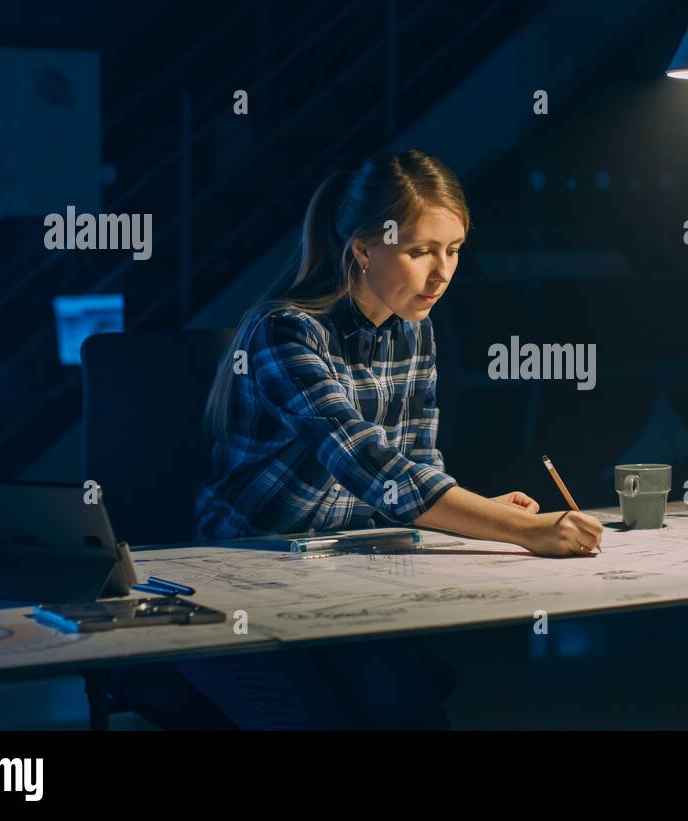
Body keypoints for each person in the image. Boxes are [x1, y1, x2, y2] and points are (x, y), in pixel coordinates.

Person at [181, 149, 604, 729]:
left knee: (411, 716)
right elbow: (376, 470)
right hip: (240, 580)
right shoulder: (284, 331)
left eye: (453, 250)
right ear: (362, 248)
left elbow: (417, 468)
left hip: (337, 578)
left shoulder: (413, 329)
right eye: (420, 251)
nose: (443, 272)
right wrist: (524, 530)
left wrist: (477, 512)